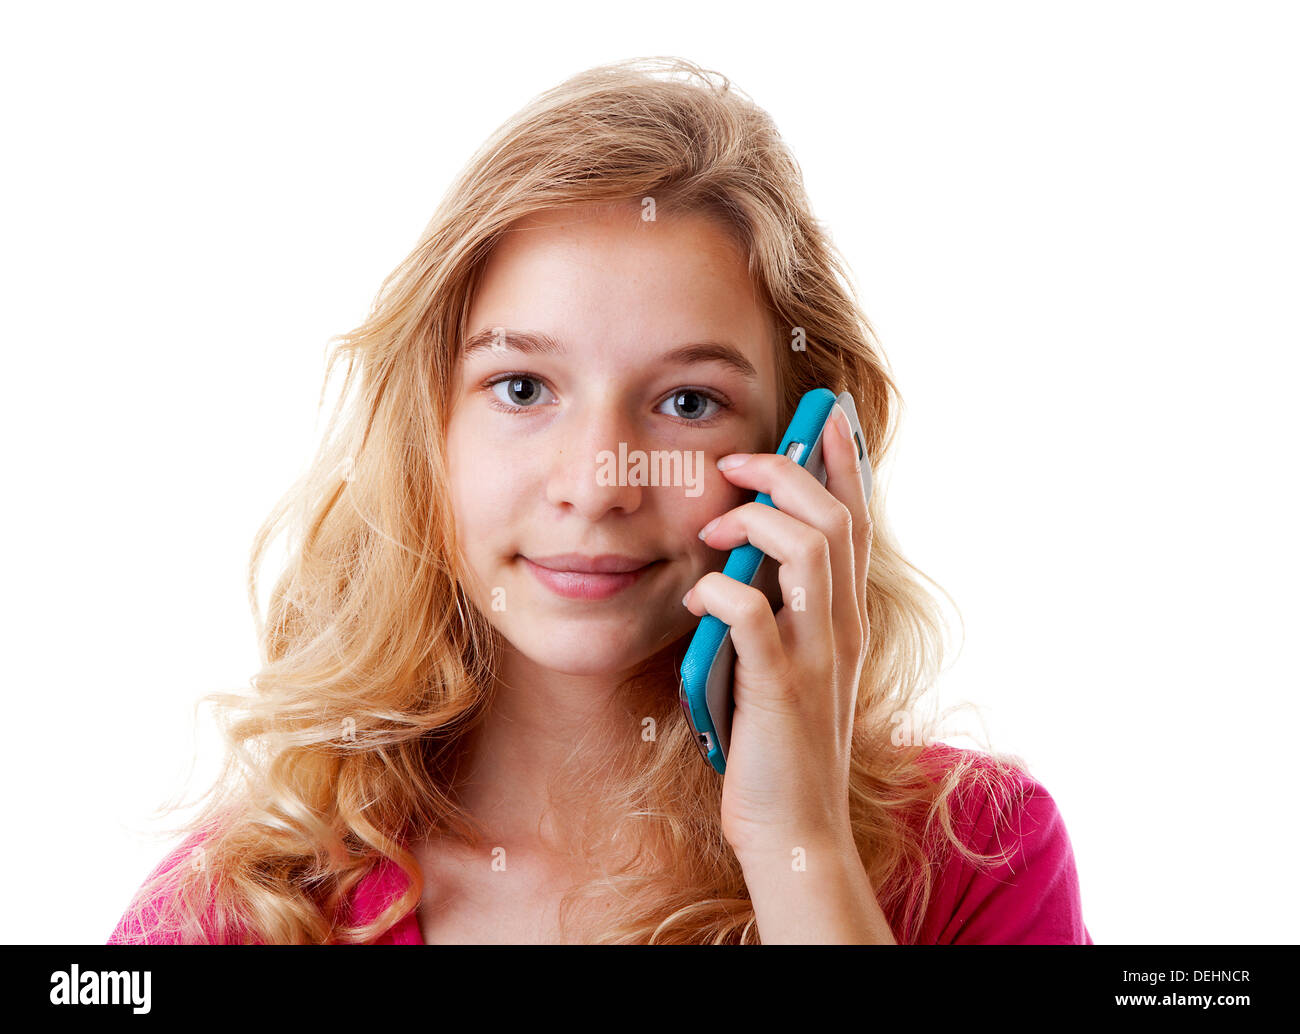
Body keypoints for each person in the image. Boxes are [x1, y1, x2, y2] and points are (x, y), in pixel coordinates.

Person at [109, 57, 1091, 945]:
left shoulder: (978, 855)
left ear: (803, 456)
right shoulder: (233, 911)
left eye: (687, 401)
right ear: (428, 429)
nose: (597, 483)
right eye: (523, 388)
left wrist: (801, 848)